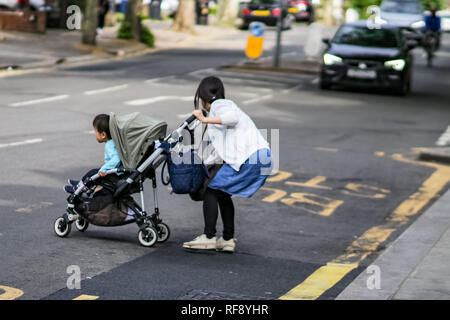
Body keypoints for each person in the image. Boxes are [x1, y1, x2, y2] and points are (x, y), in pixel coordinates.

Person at [182, 76, 272, 253]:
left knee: (211, 191)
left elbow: (233, 118)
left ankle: (208, 237)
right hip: (261, 156)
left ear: (201, 97)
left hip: (251, 156)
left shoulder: (220, 105)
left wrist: (204, 120)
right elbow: (218, 154)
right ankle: (227, 239)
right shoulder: (221, 109)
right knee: (222, 193)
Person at [64, 114, 121, 193]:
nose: (95, 133)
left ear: (103, 135)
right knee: (94, 173)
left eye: (96, 131)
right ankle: (81, 184)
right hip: (115, 172)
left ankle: (81, 188)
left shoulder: (110, 145)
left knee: (93, 172)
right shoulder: (114, 142)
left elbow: (116, 159)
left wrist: (104, 169)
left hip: (114, 174)